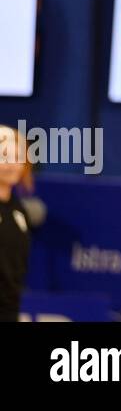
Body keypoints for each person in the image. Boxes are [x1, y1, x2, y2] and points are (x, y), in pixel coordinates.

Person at [0, 125, 34, 323]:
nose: (12, 164)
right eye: (4, 156)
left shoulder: (19, 210)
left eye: (17, 157)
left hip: (10, 310)